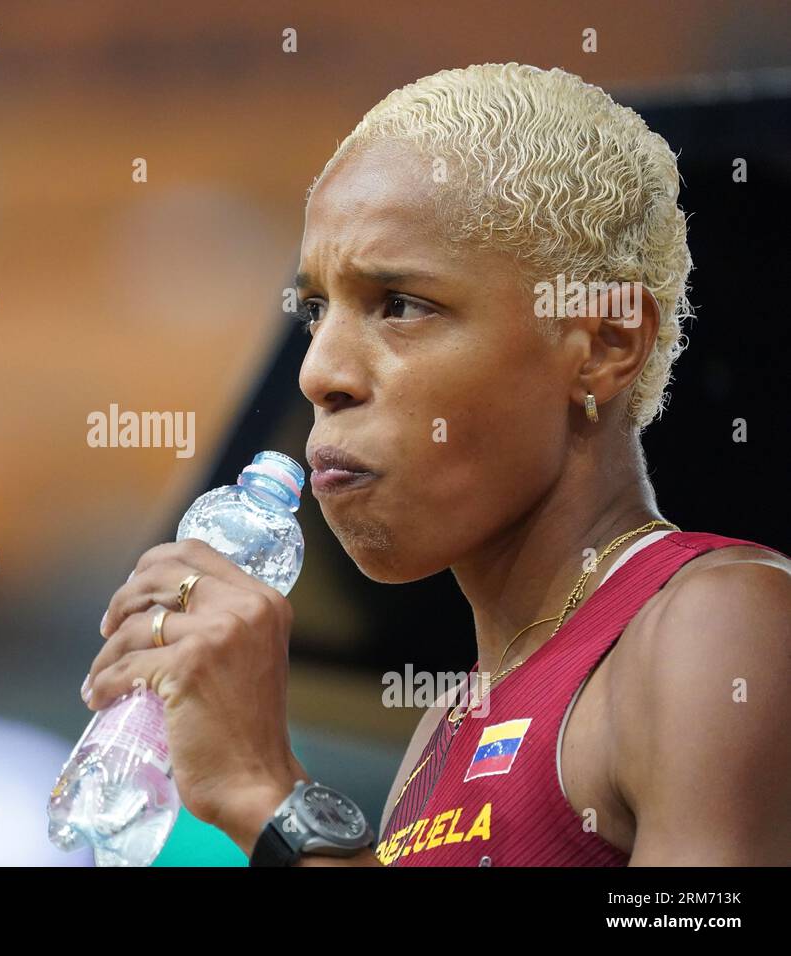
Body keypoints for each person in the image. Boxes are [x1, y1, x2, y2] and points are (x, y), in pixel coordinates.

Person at [83, 63, 791, 866]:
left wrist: (267, 793)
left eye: (401, 305)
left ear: (603, 347)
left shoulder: (718, 622)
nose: (319, 372)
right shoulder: (444, 725)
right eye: (317, 310)